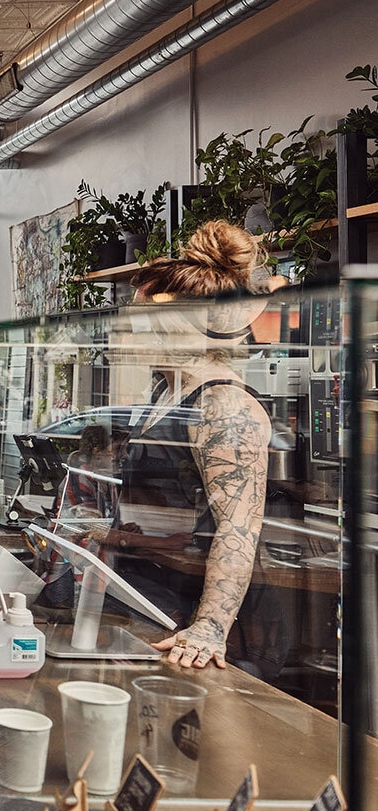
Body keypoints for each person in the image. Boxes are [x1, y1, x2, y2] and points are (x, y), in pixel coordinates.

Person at [94, 221, 277, 673]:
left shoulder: (225, 405)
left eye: (141, 321)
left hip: (200, 619)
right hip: (152, 598)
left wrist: (209, 628)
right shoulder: (167, 393)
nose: (130, 332)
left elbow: (238, 530)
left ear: (174, 327)